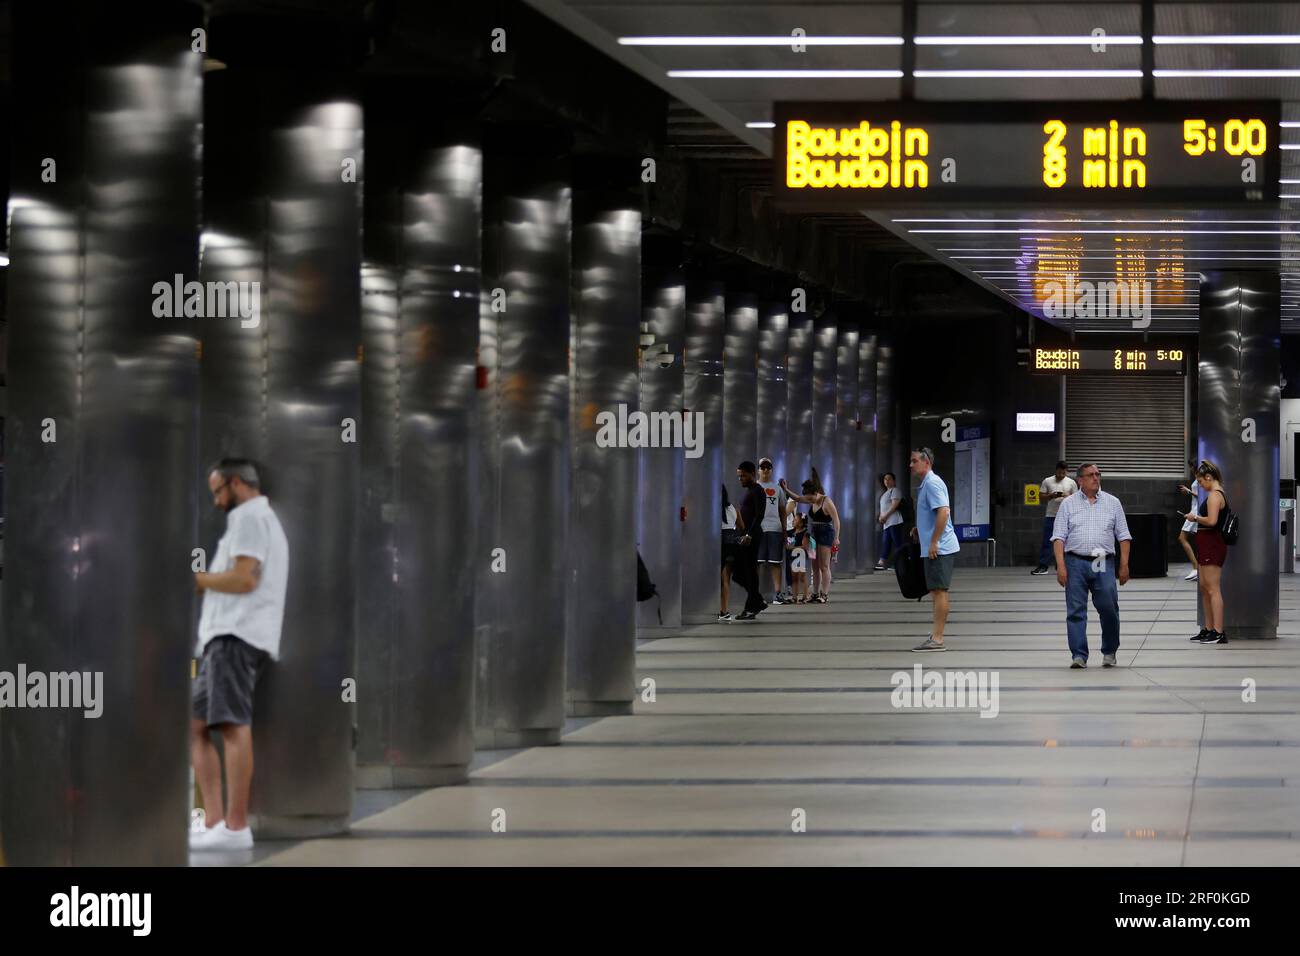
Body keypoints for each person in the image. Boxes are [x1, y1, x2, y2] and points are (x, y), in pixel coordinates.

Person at [189, 458, 290, 850]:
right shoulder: (250, 520)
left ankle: (234, 828)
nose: (215, 501)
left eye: (218, 491)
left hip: (236, 636)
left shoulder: (250, 516)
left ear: (235, 483)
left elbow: (245, 577)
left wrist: (196, 580)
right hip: (222, 639)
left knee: (231, 725)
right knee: (196, 727)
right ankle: (214, 821)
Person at [1051, 462, 1131, 669]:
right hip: (1075, 560)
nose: (1096, 478)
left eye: (1098, 474)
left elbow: (1123, 536)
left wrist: (1124, 565)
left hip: (1100, 560)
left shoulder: (1113, 503)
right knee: (1076, 610)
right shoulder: (1068, 504)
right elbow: (1059, 537)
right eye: (1091, 475)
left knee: (1108, 607)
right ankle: (1078, 655)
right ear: (1080, 480)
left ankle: (1110, 651)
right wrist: (1060, 566)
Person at [908, 448, 960, 651]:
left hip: (939, 548)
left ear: (926, 462)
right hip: (936, 546)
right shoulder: (927, 484)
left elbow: (944, 512)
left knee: (939, 591)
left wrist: (934, 541)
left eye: (914, 461)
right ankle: (936, 635)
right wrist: (920, 528)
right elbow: (934, 513)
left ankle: (937, 639)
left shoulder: (932, 483)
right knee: (936, 590)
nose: (911, 465)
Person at [1185, 460, 1231, 644]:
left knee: (1212, 589)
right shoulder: (1215, 494)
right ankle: (1208, 628)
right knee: (1205, 588)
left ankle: (1218, 632)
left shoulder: (1215, 496)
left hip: (1212, 543)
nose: (1201, 486)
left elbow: (1212, 521)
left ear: (1209, 477)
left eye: (1201, 482)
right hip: (1207, 543)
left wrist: (1194, 517)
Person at [780, 472, 841, 603]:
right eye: (808, 499)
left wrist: (836, 538)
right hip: (814, 533)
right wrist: (786, 490)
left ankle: (824, 594)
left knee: (824, 565)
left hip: (825, 533)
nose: (810, 501)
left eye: (811, 499)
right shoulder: (810, 498)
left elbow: (836, 520)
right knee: (814, 565)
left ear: (816, 493)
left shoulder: (827, 501)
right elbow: (797, 498)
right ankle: (815, 593)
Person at [732, 461, 769, 621]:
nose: (741, 479)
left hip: (751, 536)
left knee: (748, 571)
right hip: (744, 535)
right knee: (740, 573)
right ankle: (757, 601)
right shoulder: (749, 491)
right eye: (739, 476)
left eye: (743, 476)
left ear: (752, 474)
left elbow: (759, 515)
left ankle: (753, 605)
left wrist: (750, 535)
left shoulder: (758, 491)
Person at [1032, 460, 1077, 575]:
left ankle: (1063, 565)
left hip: (1067, 516)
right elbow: (1041, 496)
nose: (1061, 475)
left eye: (1063, 473)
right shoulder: (1047, 481)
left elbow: (1077, 498)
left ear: (1066, 472)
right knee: (1047, 541)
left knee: (1066, 542)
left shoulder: (1071, 482)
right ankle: (1043, 566)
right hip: (1051, 515)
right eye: (1059, 473)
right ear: (1056, 470)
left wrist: (1068, 496)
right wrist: (1051, 496)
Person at [755, 458, 790, 604]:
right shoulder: (754, 487)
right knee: (757, 562)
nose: (765, 470)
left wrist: (784, 529)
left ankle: (777, 594)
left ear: (772, 470)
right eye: (763, 467)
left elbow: (782, 511)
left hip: (775, 528)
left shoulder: (777, 489)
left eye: (768, 467)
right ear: (758, 470)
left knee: (776, 563)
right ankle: (755, 594)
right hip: (758, 529)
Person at [875, 472, 905, 570]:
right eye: (885, 479)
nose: (887, 481)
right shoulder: (885, 494)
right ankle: (882, 562)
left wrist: (885, 516)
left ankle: (899, 563)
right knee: (886, 542)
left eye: (889, 479)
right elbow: (883, 508)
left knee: (897, 543)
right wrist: (881, 516)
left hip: (894, 521)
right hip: (887, 523)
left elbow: (894, 505)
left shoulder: (895, 490)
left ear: (894, 480)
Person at [720, 483, 741, 622]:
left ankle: (719, 609)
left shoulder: (713, 508)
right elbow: (742, 526)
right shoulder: (733, 507)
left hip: (720, 542)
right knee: (726, 578)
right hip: (732, 543)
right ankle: (724, 610)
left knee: (720, 579)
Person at [1177, 467, 1201, 581]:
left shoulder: (1201, 477)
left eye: (1191, 466)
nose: (1190, 469)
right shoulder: (1198, 477)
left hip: (1196, 511)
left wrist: (1189, 491)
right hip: (1195, 509)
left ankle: (1196, 568)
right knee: (1197, 539)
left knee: (1182, 537)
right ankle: (1197, 568)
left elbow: (1202, 496)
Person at [786, 512, 811, 603]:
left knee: (802, 577)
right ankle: (794, 597)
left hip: (801, 555)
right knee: (794, 578)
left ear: (800, 523)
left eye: (795, 520)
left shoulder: (805, 533)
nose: (793, 521)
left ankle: (805, 596)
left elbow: (804, 547)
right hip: (792, 556)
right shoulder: (791, 532)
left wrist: (791, 548)